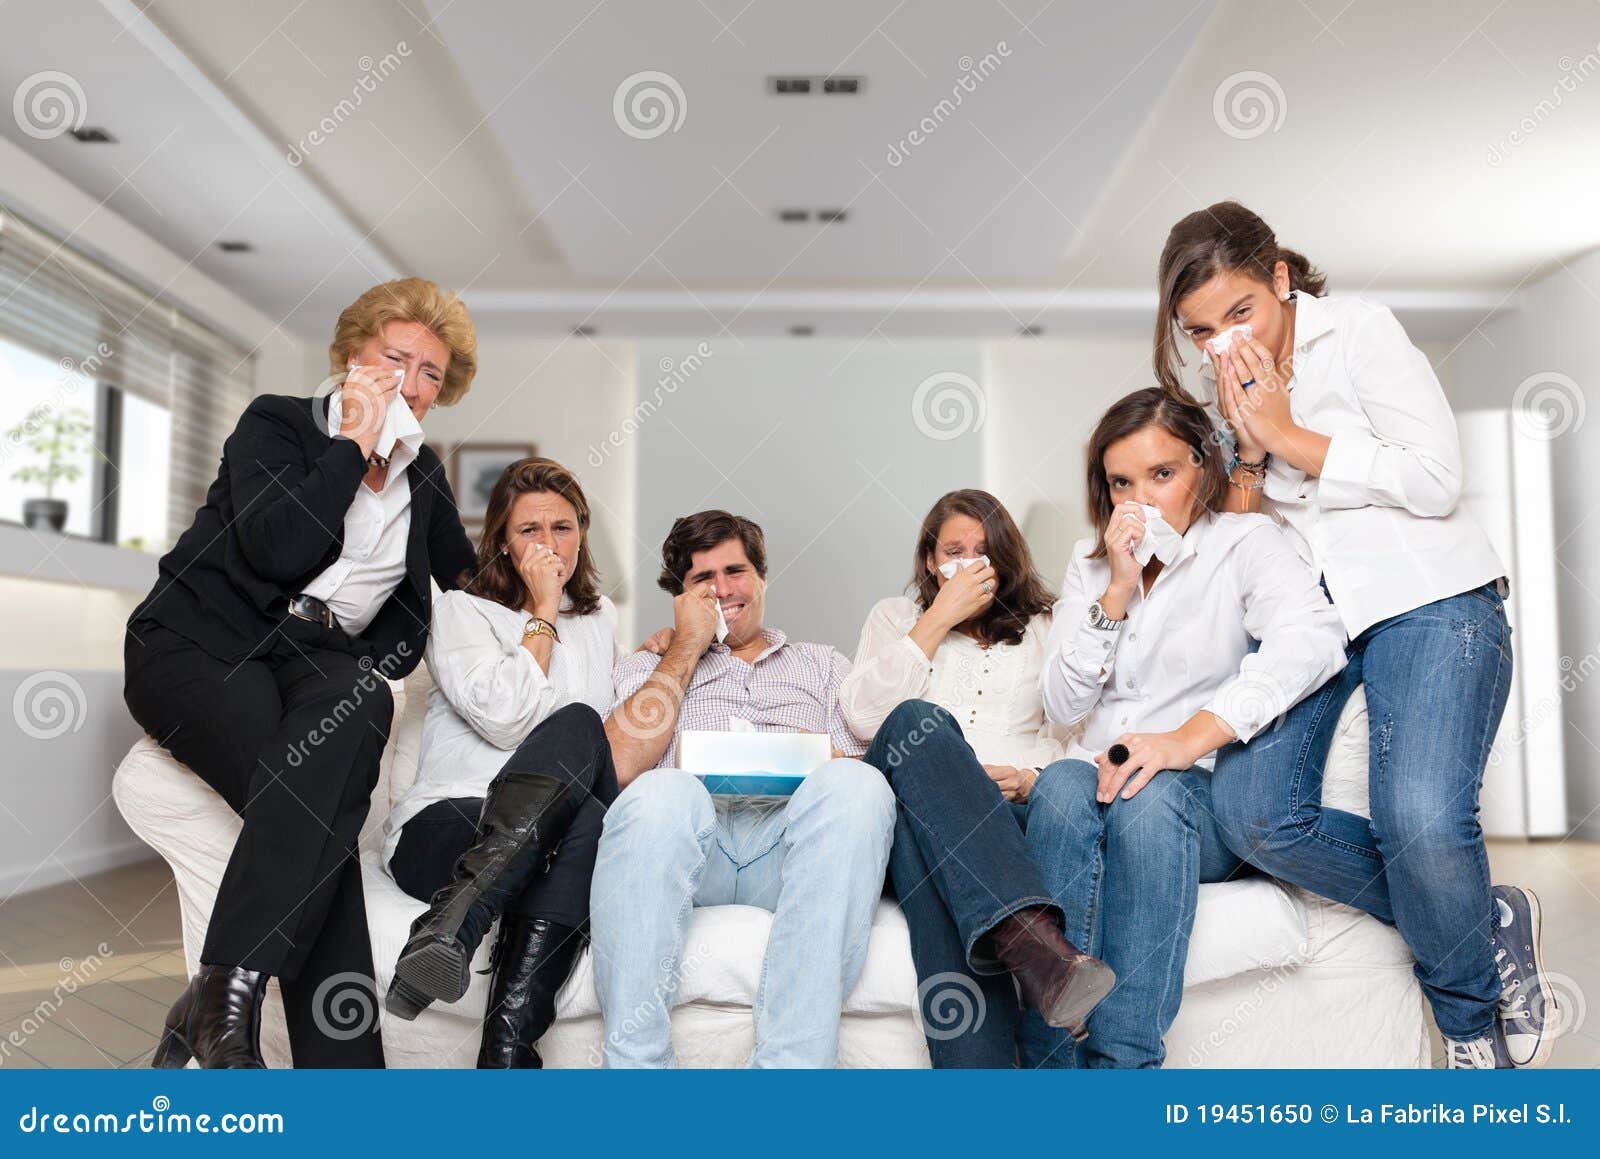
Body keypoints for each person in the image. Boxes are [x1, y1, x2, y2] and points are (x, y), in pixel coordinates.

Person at [1154, 200, 1554, 1068]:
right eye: (1201, 330)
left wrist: (1289, 434)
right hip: (1317, 623)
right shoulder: (1225, 394)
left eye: (1240, 313)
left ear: (1282, 280)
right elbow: (1244, 544)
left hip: (1430, 597)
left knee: (1418, 815)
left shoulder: (1361, 332)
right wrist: (1250, 452)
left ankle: (1465, 1026)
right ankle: (1480, 914)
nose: (1224, 342)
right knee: (1250, 811)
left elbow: (1437, 476)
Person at [122, 278, 479, 1068]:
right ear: (354, 357)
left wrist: (565, 604)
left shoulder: (423, 481)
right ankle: (340, 1084)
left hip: (313, 662)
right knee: (315, 813)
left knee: (359, 706)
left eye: (429, 372)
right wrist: (352, 443)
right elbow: (279, 547)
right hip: (200, 644)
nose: (410, 383)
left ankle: (213, 1000)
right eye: (394, 358)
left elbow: (471, 585)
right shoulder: (279, 424)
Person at [1029, 387, 1348, 1068]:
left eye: (1161, 475)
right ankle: (1049, 1066)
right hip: (1096, 782)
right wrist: (1116, 589)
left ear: (1202, 468)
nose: (1139, 501)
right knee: (1057, 783)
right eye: (1121, 483)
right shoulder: (1090, 569)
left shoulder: (1245, 543)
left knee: (1148, 797)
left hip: (1191, 799)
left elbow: (1315, 638)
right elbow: (1060, 706)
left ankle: (1124, 1063)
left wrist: (1186, 739)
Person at [590, 510, 896, 1067]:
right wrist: (686, 645)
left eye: (736, 571)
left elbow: (863, 776)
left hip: (788, 853)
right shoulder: (648, 666)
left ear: (761, 578)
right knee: (663, 794)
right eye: (701, 579)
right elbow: (619, 766)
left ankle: (788, 1077)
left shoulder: (822, 665)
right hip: (691, 848)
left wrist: (809, 754)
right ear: (679, 596)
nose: (723, 589)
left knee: (858, 784)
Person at [839, 488, 1113, 1067]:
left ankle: (983, 1087)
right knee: (917, 721)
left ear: (1006, 557)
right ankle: (1036, 947)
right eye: (953, 550)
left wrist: (1027, 777)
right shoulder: (897, 618)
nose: (968, 560)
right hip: (913, 799)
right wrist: (939, 616)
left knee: (928, 848)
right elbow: (864, 716)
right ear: (931, 562)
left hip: (1010, 815)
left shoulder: (1046, 623)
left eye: (982, 550)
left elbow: (1075, 734)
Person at [382, 458, 621, 1068]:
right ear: (503, 543)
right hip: (446, 829)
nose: (549, 545)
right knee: (576, 724)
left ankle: (495, 1036)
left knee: (589, 814)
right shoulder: (460, 610)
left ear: (583, 533)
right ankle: (469, 945)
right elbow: (509, 716)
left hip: (542, 845)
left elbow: (604, 753)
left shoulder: (600, 619)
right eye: (530, 532)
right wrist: (542, 609)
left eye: (562, 529)